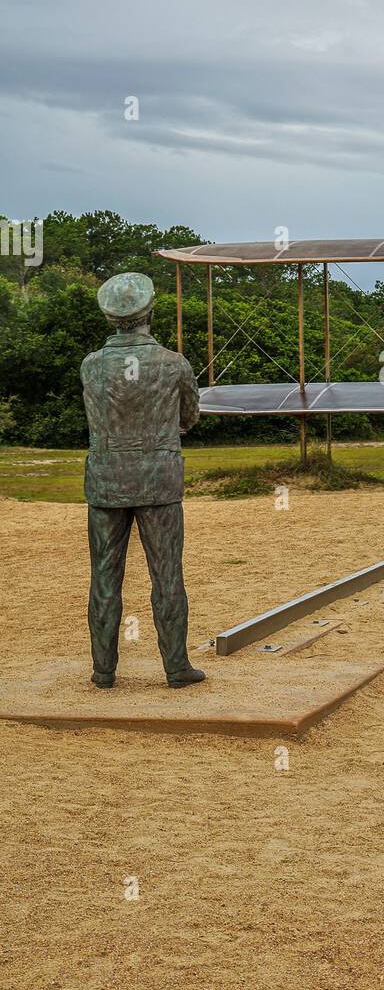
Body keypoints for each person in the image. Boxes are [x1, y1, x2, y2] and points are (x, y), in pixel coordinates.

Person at [80, 272, 205, 689]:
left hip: (106, 479)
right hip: (158, 481)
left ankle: (103, 670)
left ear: (109, 318)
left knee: (103, 575)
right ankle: (176, 668)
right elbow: (189, 417)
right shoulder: (173, 364)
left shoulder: (92, 366)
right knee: (167, 575)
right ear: (150, 311)